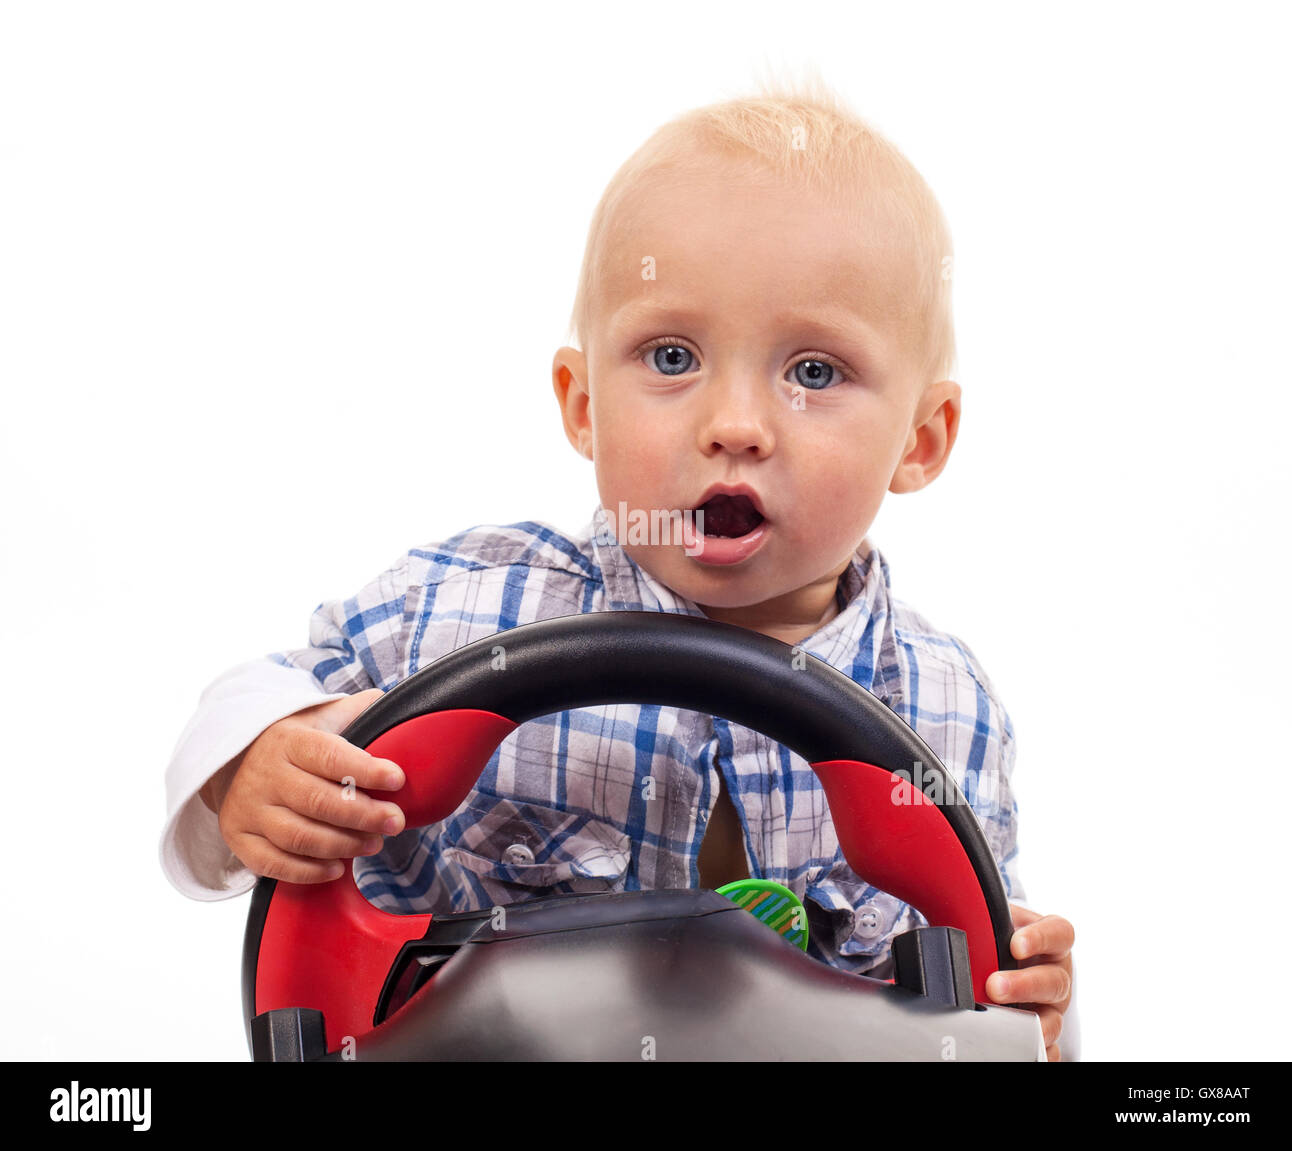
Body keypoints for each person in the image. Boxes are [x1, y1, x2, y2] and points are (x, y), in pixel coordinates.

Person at [161, 76, 1077, 1059]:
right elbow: (259, 695)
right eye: (672, 356)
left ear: (922, 438)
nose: (734, 425)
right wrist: (255, 760)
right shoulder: (464, 610)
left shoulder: (946, 710)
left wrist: (1032, 988)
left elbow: (976, 954)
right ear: (583, 402)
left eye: (813, 372)